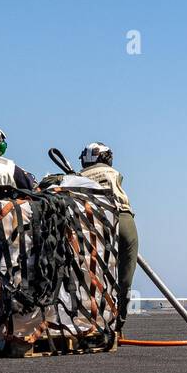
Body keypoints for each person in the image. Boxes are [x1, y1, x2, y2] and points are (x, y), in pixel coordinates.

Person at [78, 142, 139, 332]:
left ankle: (92, 322)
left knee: (94, 274)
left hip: (93, 222)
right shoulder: (112, 172)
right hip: (122, 217)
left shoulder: (77, 177)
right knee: (125, 275)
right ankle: (118, 324)